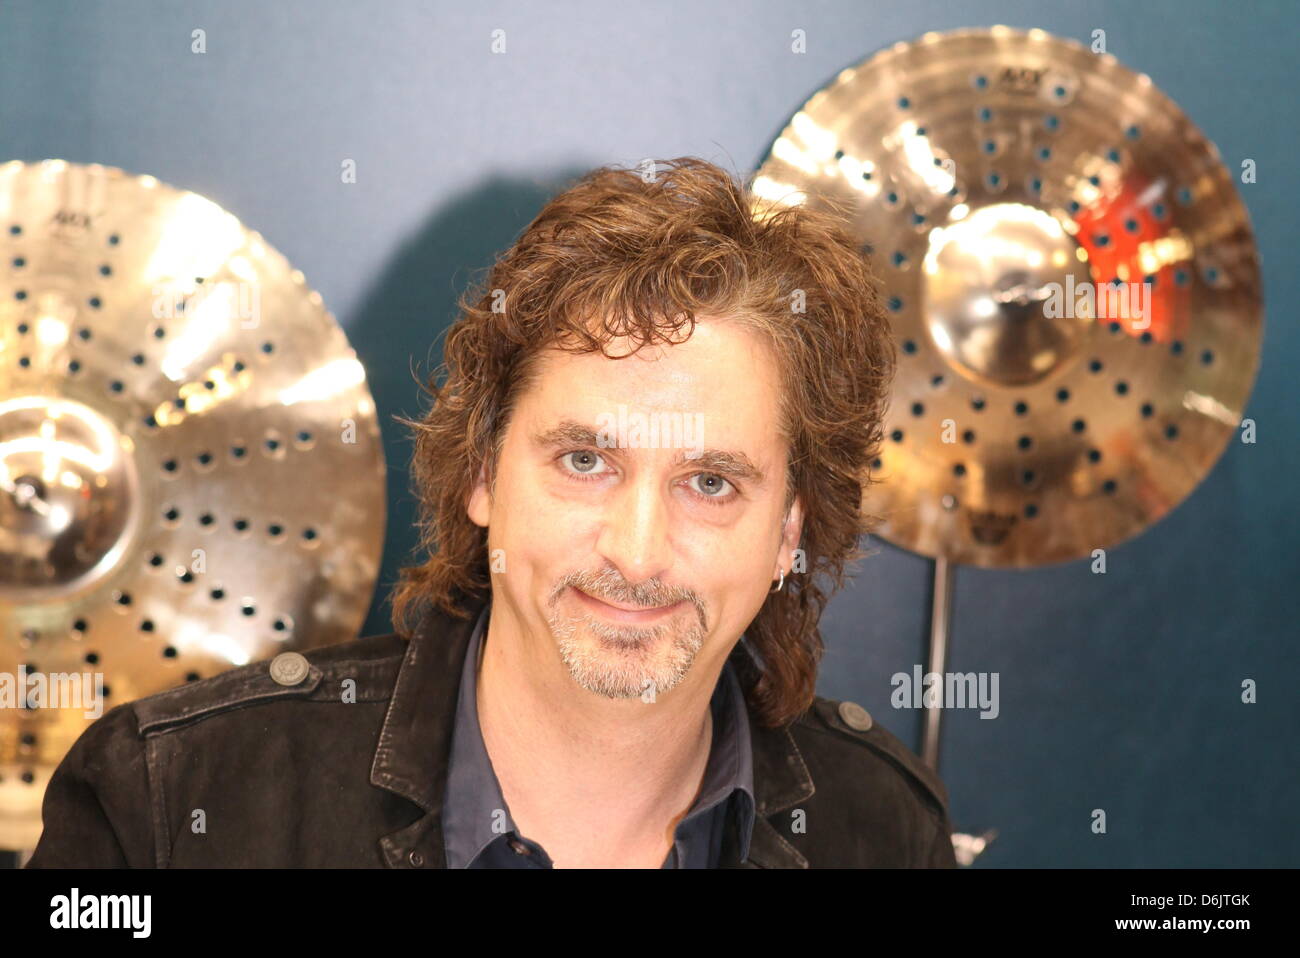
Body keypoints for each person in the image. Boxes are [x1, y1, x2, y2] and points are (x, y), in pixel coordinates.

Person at [26, 157, 956, 868]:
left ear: (789, 527)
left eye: (710, 483)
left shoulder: (881, 828)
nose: (637, 553)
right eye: (586, 461)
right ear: (481, 472)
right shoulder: (167, 806)